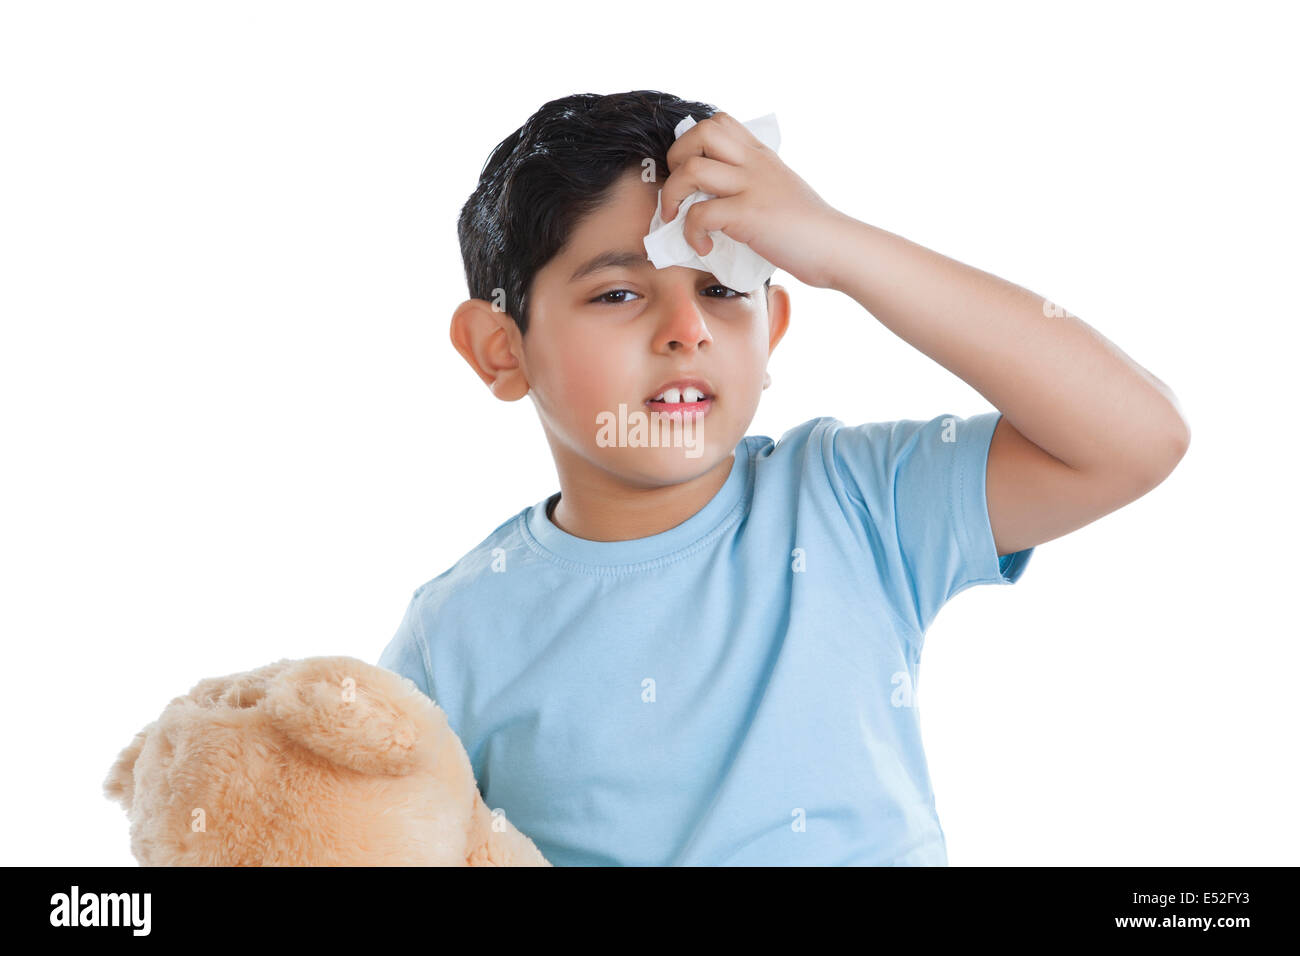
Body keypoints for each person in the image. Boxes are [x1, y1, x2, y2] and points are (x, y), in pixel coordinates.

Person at [378, 90, 1190, 866]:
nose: (687, 330)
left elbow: (1137, 438)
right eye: (619, 292)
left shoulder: (854, 501)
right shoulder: (451, 635)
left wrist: (835, 244)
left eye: (724, 288)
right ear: (501, 347)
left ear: (773, 327)